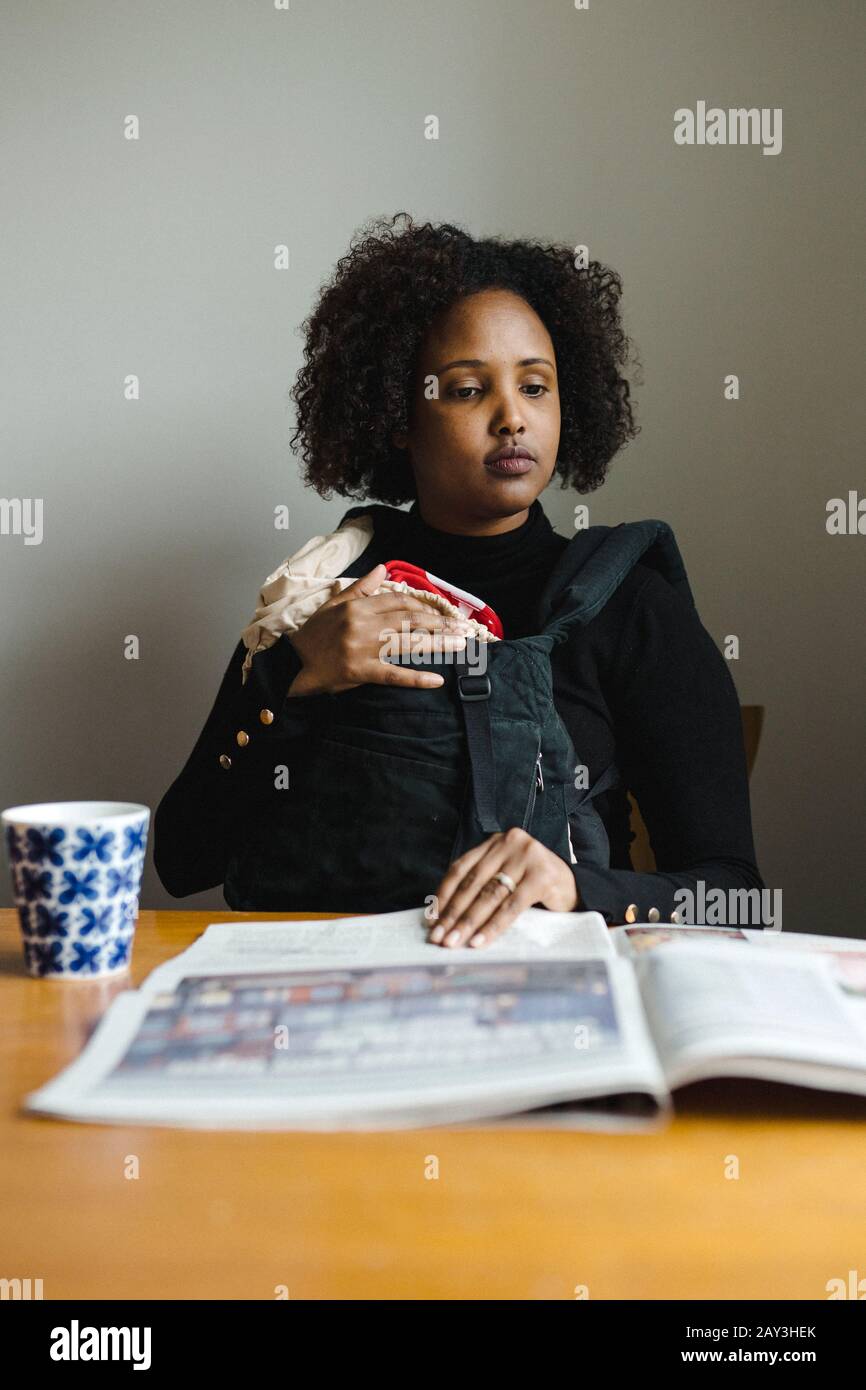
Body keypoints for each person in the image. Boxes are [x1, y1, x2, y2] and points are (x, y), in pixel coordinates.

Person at [153, 212, 764, 946]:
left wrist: (577, 888)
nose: (512, 418)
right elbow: (184, 860)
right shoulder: (327, 594)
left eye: (536, 387)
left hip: (546, 1008)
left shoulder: (630, 605)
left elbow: (735, 894)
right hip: (326, 1002)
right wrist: (293, 672)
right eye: (469, 390)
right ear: (398, 416)